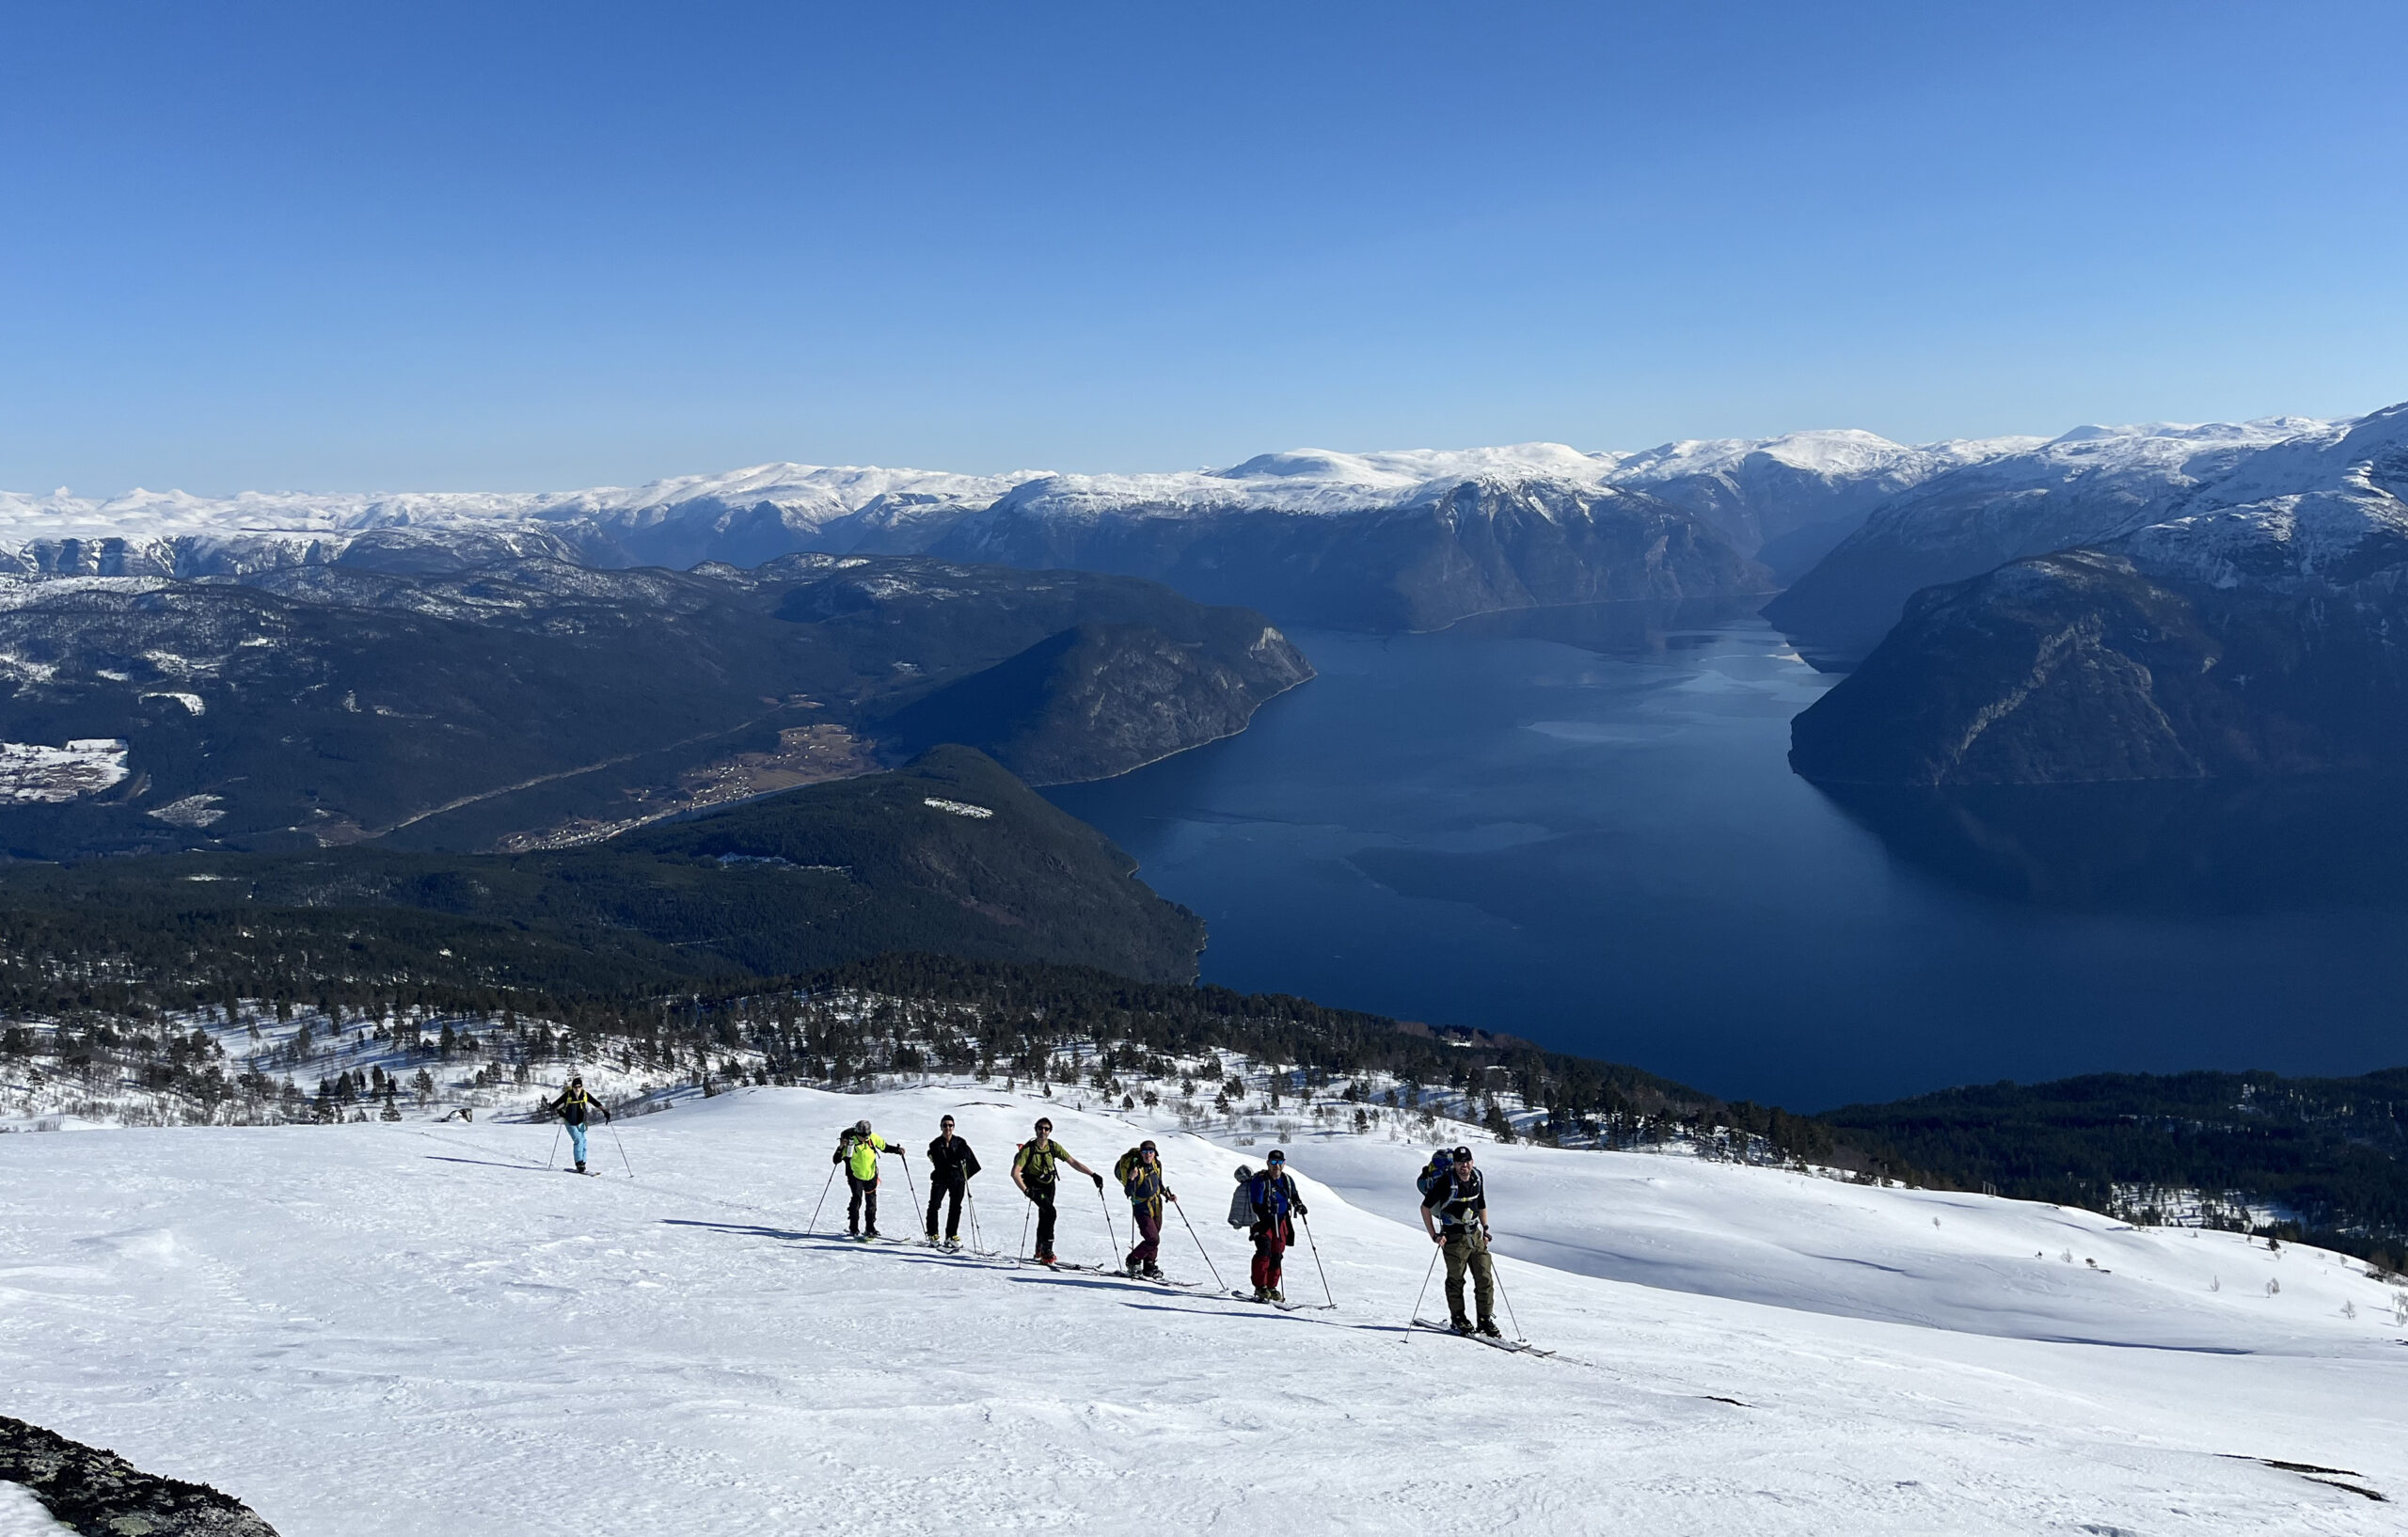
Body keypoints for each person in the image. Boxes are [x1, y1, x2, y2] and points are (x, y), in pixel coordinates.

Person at [1420, 1144, 1498, 1337]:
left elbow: (1481, 1203)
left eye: (1466, 1162)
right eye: (1459, 1163)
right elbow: (1425, 1207)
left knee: (1485, 1278)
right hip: (1453, 1238)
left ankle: (1484, 1320)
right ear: (1454, 1164)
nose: (1464, 1166)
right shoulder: (1446, 1181)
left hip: (1475, 1235)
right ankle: (1458, 1318)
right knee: (1456, 1280)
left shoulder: (1477, 1178)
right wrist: (1434, 1235)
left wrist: (1485, 1228)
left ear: (1472, 1162)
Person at [1010, 1117, 1101, 1264]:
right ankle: (1047, 1250)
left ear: (1050, 1131)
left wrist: (1093, 1174)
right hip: (1034, 1185)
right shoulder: (1028, 1149)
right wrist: (1027, 1191)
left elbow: (1073, 1162)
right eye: (1040, 1128)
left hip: (1049, 1185)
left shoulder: (1053, 1146)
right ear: (1036, 1129)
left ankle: (1039, 1248)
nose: (1043, 1131)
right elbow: (1015, 1173)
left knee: (1045, 1214)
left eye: (1046, 1129)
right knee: (1051, 1213)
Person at [1245, 1149, 1307, 1302]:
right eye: (1273, 1162)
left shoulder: (1287, 1180)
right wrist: (1267, 1212)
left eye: (1279, 1162)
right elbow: (1256, 1205)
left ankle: (1272, 1287)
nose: (1276, 1166)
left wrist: (1299, 1205)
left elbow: (1293, 1196)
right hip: (1263, 1223)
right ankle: (1261, 1286)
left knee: (1277, 1255)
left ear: (1284, 1164)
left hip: (1281, 1222)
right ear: (1268, 1163)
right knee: (1264, 1251)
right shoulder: (1260, 1181)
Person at [1113, 1140, 1179, 1278]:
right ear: (1141, 1153)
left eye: (1150, 1152)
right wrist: (1131, 1178)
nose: (1148, 1154)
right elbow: (1128, 1192)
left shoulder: (1156, 1165)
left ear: (1155, 1154)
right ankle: (1133, 1259)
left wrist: (1168, 1195)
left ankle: (1149, 1266)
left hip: (1156, 1205)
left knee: (1155, 1237)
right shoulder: (1136, 1168)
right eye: (1144, 1152)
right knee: (1153, 1239)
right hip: (1141, 1207)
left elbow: (1158, 1184)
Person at [833, 1118, 901, 1239]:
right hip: (855, 1176)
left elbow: (884, 1147)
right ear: (857, 1133)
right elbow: (836, 1160)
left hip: (871, 1175)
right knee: (857, 1200)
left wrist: (897, 1150)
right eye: (862, 1136)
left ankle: (870, 1228)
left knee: (871, 1202)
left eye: (866, 1135)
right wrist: (840, 1148)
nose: (865, 1138)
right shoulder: (850, 1143)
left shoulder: (873, 1138)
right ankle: (853, 1228)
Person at [925, 1114, 981, 1246]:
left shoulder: (960, 1142)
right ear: (941, 1127)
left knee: (955, 1207)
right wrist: (955, 1158)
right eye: (945, 1125)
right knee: (934, 1204)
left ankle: (951, 1235)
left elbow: (969, 1157)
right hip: (941, 1177)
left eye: (950, 1125)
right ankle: (933, 1234)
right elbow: (939, 1161)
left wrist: (962, 1158)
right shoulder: (935, 1144)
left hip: (957, 1178)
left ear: (954, 1127)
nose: (947, 1128)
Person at [543, 1072, 610, 1174]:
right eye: (575, 1087)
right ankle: (579, 1163)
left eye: (579, 1086)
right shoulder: (568, 1095)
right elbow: (554, 1105)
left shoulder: (585, 1095)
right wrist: (560, 1111)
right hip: (570, 1122)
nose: (577, 1089)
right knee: (578, 1139)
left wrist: (605, 1111)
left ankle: (583, 1162)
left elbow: (596, 1103)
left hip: (581, 1122)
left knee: (583, 1142)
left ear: (581, 1086)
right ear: (572, 1087)